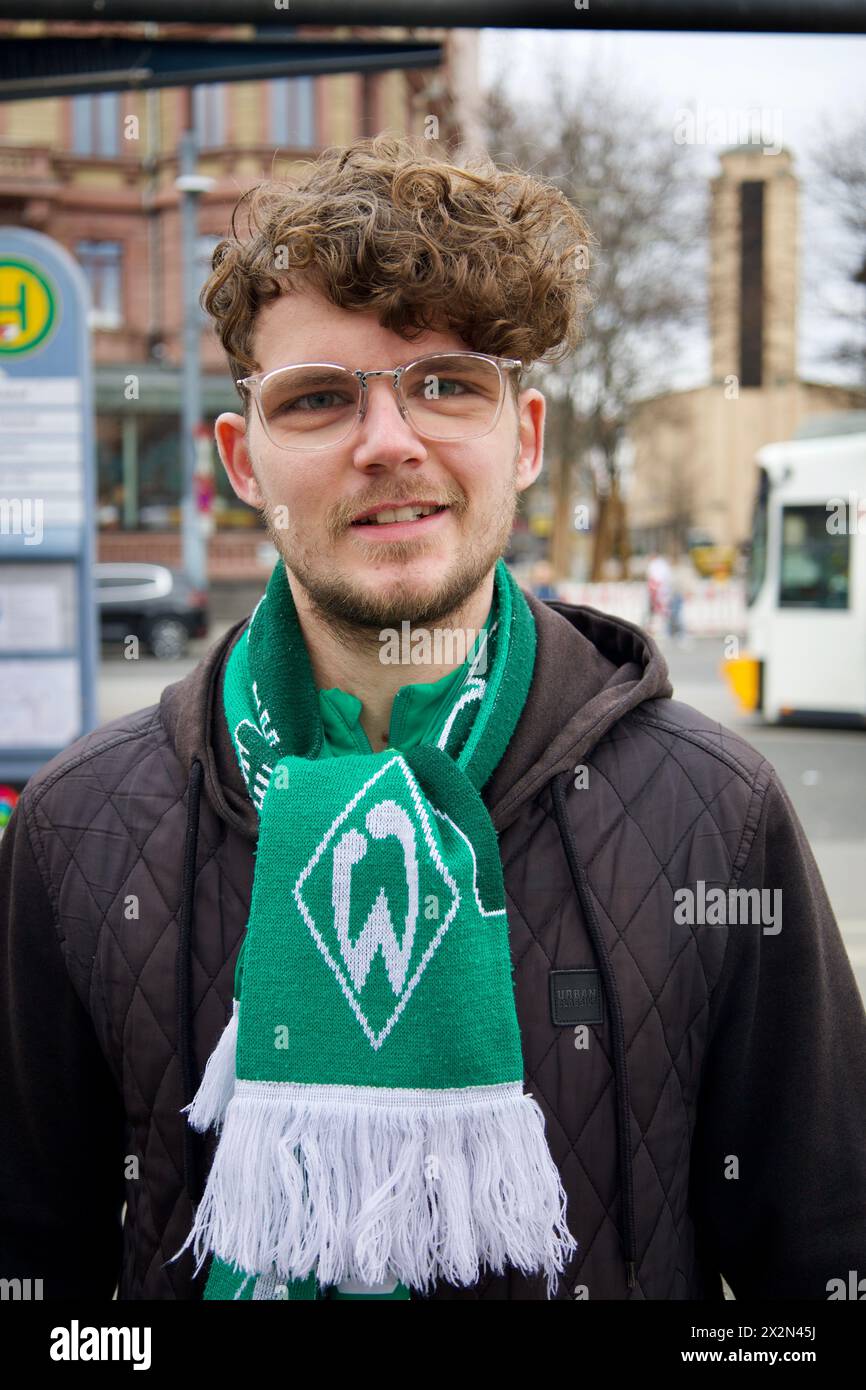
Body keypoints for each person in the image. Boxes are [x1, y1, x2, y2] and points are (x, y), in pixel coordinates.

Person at [2, 134, 865, 1302]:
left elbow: (817, 1262)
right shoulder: (77, 830)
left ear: (525, 436)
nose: (388, 441)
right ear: (242, 459)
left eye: (447, 384)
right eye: (316, 399)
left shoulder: (716, 810)